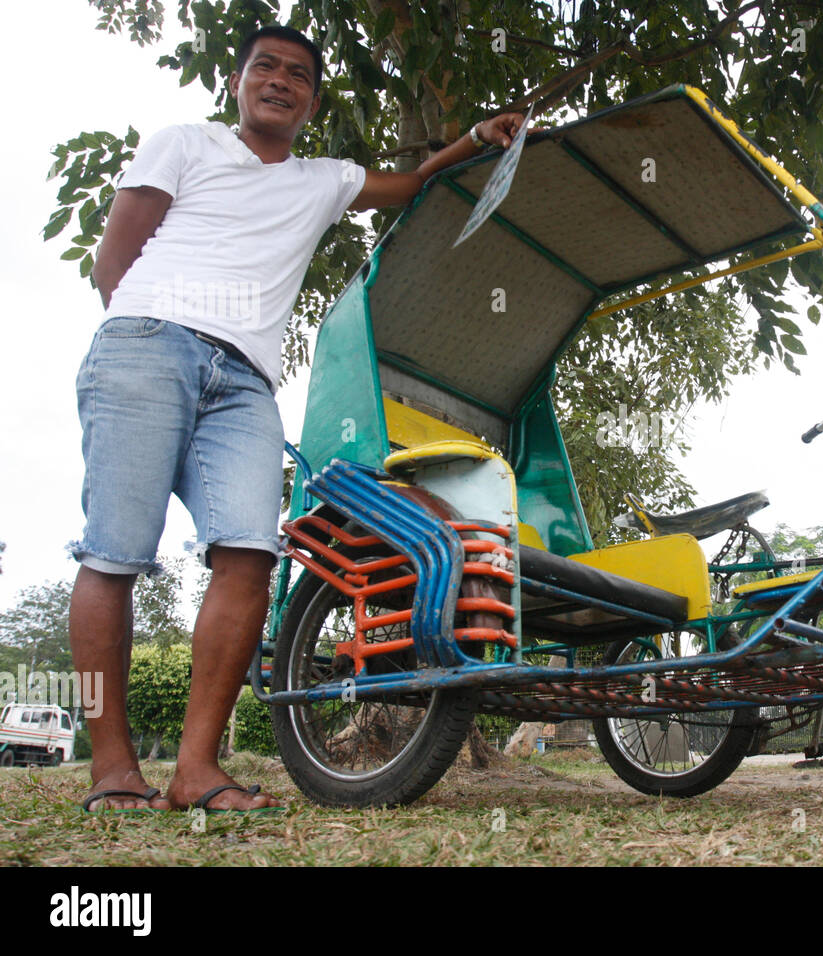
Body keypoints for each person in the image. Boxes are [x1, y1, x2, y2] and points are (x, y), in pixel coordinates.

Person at [70, 23, 524, 812]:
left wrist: (478, 138)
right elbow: (117, 256)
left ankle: (197, 771)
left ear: (312, 101)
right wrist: (145, 334)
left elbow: (412, 183)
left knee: (248, 555)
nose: (279, 81)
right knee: (115, 552)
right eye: (264, 68)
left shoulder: (325, 177)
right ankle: (112, 770)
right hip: (147, 347)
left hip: (244, 382)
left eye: (297, 76)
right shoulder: (185, 143)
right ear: (240, 83)